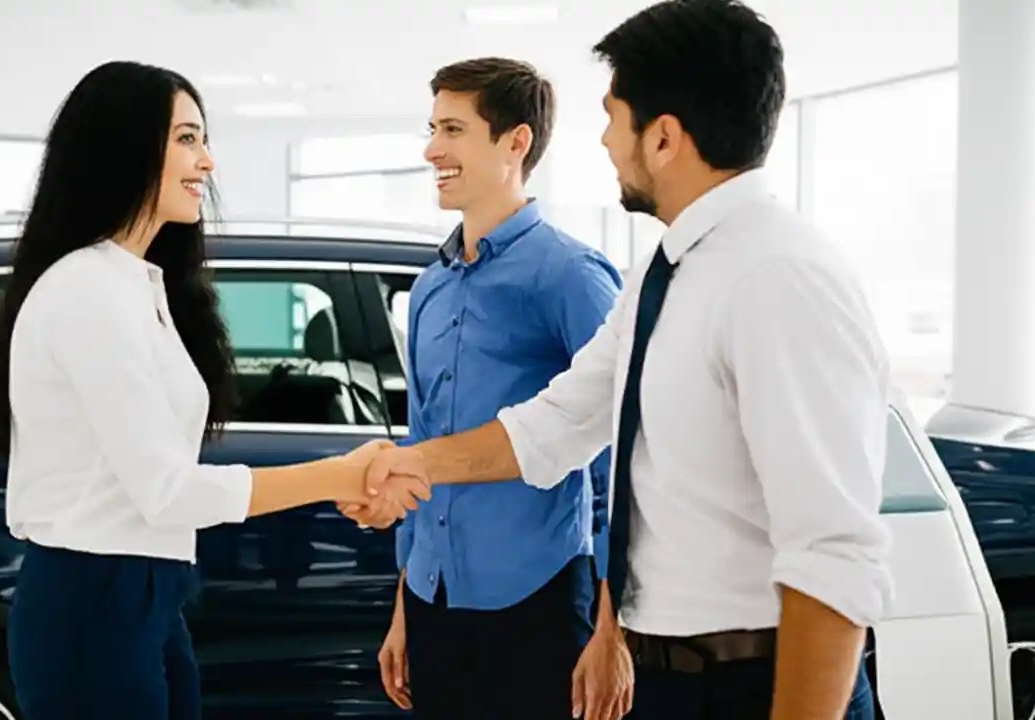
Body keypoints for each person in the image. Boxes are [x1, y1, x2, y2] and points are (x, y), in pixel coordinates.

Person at [357, 2, 890, 719]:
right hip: (669, 677)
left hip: (751, 684)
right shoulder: (664, 273)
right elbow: (555, 426)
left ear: (664, 137)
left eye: (613, 117)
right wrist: (413, 466)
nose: (605, 140)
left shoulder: (780, 276)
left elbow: (834, 554)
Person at [0, 60, 427, 720]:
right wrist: (339, 474)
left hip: (145, 589)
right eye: (187, 139)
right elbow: (166, 490)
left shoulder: (139, 282)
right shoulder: (87, 289)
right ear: (125, 146)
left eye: (203, 139)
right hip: (94, 594)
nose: (208, 162)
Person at [338, 57, 628, 720]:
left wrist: (613, 631)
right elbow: (424, 446)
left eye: (452, 129)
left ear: (515, 143)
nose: (431, 149)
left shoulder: (570, 276)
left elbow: (619, 460)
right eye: (432, 128)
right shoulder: (430, 291)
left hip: (539, 603)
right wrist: (405, 608)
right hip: (436, 601)